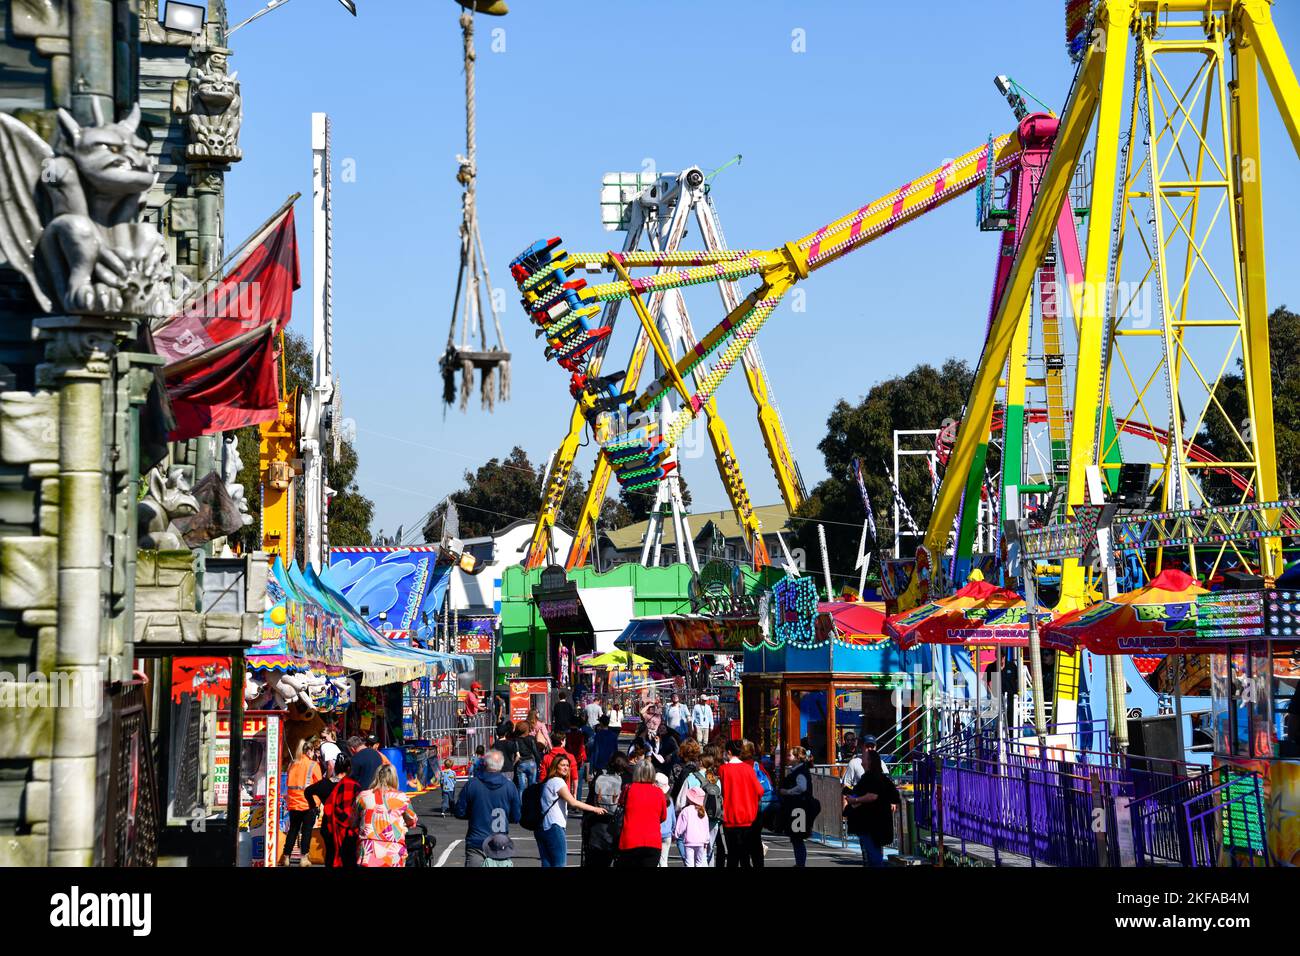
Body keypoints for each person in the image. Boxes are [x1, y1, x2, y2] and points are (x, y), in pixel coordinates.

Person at [455, 749, 521, 867]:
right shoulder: (510, 786)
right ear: (501, 765)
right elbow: (516, 816)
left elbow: (459, 811)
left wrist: (474, 812)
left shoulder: (473, 784)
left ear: (484, 764)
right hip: (499, 845)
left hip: (477, 841)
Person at [538, 754, 605, 867]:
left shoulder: (549, 781)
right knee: (560, 863)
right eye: (562, 765)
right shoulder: (558, 782)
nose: (566, 768)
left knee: (547, 863)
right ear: (555, 766)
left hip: (544, 826)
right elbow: (573, 802)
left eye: (567, 765)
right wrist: (595, 809)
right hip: (555, 826)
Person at [355, 763, 418, 867]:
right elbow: (412, 820)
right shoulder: (401, 798)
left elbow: (353, 821)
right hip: (393, 849)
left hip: (368, 849)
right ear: (394, 778)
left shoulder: (363, 796)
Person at [844, 751, 901, 867]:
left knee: (873, 856)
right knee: (871, 854)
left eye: (863, 759)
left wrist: (855, 800)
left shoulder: (872, 778)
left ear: (870, 761)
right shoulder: (880, 778)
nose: (861, 762)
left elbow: (873, 795)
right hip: (873, 822)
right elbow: (893, 795)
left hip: (871, 823)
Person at [718, 739, 764, 868]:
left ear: (728, 752)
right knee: (745, 854)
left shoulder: (723, 769)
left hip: (730, 818)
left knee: (732, 855)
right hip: (748, 817)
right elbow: (759, 791)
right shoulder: (748, 769)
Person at [615, 759, 666, 868]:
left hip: (630, 840)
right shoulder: (659, 792)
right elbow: (663, 817)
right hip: (653, 841)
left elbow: (620, 807)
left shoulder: (628, 789)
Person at [280, 739, 322, 867]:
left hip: (293, 803)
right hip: (308, 804)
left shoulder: (292, 764)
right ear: (309, 751)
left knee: (293, 830)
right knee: (307, 831)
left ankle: (286, 857)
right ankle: (304, 858)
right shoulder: (313, 765)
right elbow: (319, 785)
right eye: (313, 751)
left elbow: (288, 784)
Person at [583, 752, 629, 868]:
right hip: (615, 828)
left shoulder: (599, 775)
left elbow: (589, 800)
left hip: (596, 826)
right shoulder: (627, 778)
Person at [323, 754, 368, 868]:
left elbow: (328, 807)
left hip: (335, 829)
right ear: (349, 768)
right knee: (350, 860)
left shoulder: (329, 785)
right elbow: (360, 809)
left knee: (334, 857)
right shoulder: (355, 786)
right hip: (351, 831)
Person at [305, 750, 349, 868]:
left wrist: (312, 805)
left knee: (330, 853)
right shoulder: (351, 785)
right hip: (346, 825)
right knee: (346, 855)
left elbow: (307, 791)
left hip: (328, 824)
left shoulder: (324, 784)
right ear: (349, 768)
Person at [778, 746, 817, 867]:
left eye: (790, 755)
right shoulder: (797, 770)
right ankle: (799, 862)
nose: (788, 758)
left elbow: (802, 787)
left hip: (799, 809)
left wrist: (787, 791)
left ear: (797, 758)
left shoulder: (800, 771)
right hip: (797, 807)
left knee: (797, 838)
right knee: (796, 838)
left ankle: (800, 863)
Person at [675, 785, 712, 868]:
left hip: (689, 841)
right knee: (699, 863)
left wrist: (676, 835)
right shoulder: (703, 812)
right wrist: (706, 840)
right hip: (701, 842)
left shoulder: (686, 811)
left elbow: (681, 826)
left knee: (689, 863)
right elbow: (706, 828)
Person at [539, 730, 578, 795]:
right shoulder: (570, 757)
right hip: (565, 792)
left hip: (549, 791)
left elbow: (542, 777)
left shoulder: (546, 757)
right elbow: (575, 777)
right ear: (562, 741)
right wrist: (574, 793)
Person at [565, 717, 591, 801]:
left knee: (568, 782)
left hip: (568, 760)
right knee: (578, 784)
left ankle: (568, 801)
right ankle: (577, 802)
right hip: (579, 761)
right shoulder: (581, 735)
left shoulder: (567, 735)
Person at [513, 720, 542, 792]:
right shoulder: (531, 738)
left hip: (521, 763)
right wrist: (539, 762)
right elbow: (535, 751)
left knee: (521, 787)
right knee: (532, 786)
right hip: (531, 762)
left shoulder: (516, 740)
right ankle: (531, 802)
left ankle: (521, 802)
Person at [656, 772, 676, 866]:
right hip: (667, 833)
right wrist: (672, 830)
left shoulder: (654, 800)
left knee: (655, 861)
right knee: (664, 861)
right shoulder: (670, 800)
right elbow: (673, 819)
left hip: (656, 833)